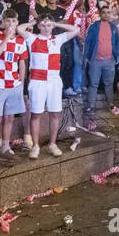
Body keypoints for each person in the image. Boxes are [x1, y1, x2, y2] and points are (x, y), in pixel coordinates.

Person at [20, 13, 79, 157]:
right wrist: (34, 21)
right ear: (39, 26)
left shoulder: (58, 38)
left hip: (53, 80)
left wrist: (56, 23)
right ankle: (35, 146)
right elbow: (20, 28)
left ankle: (52, 144)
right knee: (36, 114)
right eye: (43, 25)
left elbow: (75, 30)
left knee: (55, 113)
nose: (46, 28)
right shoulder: (32, 38)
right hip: (37, 81)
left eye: (49, 25)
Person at [0, 12, 28, 161]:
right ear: (3, 22)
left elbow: (22, 63)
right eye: (8, 21)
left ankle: (5, 147)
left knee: (9, 118)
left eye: (14, 21)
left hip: (14, 84)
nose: (11, 24)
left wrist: (21, 83)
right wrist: (6, 39)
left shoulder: (21, 41)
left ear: (17, 23)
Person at [84, 5, 119, 111]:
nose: (106, 14)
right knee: (93, 84)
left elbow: (117, 43)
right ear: (100, 14)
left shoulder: (113, 27)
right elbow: (88, 43)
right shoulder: (94, 26)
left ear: (110, 14)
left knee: (109, 83)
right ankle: (91, 106)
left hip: (109, 60)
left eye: (108, 12)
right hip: (95, 60)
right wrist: (87, 57)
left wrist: (116, 56)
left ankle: (110, 104)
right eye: (104, 12)